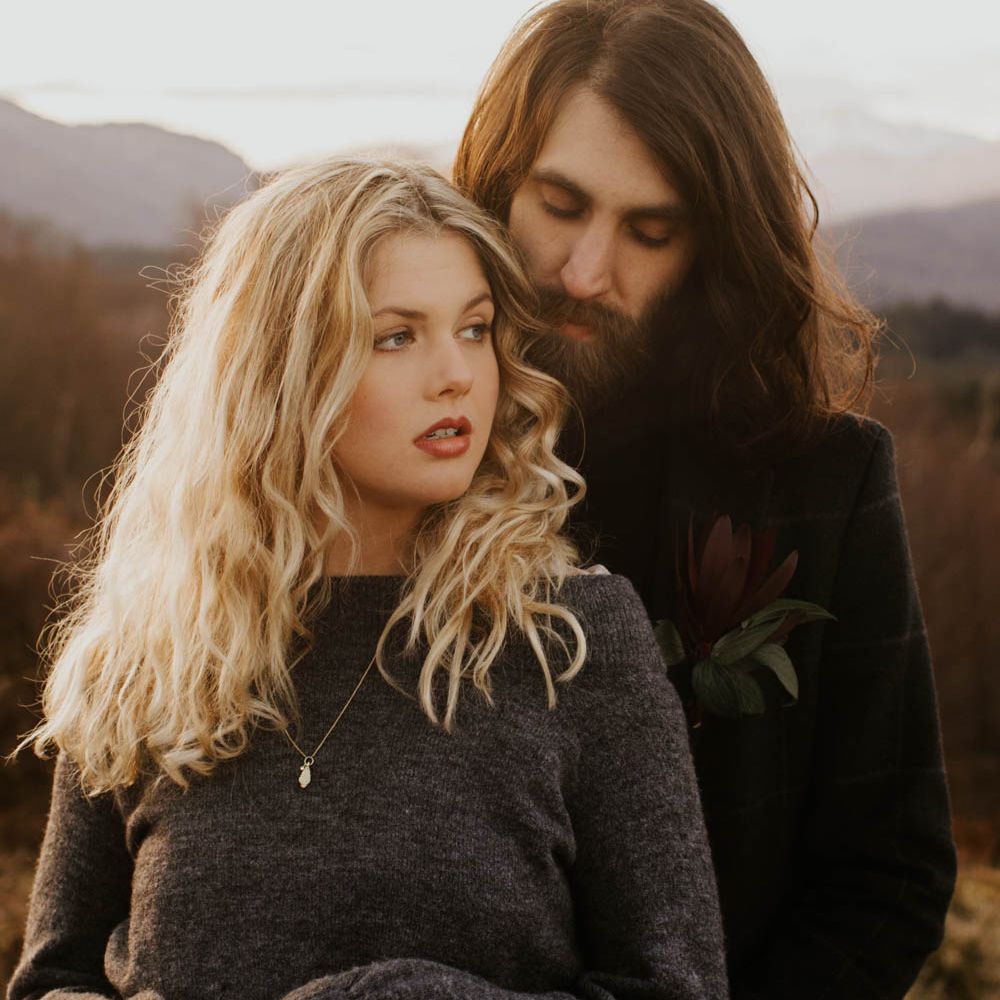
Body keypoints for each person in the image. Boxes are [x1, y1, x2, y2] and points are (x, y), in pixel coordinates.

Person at [9, 157, 729, 1000]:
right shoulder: (149, 651)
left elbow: (678, 985)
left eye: (474, 327)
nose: (458, 372)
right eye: (397, 335)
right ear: (281, 373)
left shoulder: (571, 639)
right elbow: (52, 979)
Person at [453, 2, 957, 998]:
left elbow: (885, 874)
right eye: (559, 204)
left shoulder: (825, 483)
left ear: (714, 243)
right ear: (494, 180)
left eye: (649, 230)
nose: (586, 271)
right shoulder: (393, 445)